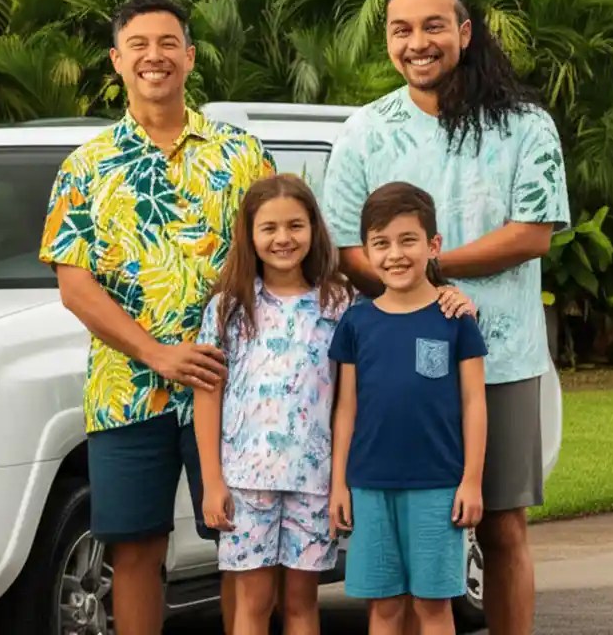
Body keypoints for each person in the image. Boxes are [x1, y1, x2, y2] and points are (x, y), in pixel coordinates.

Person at [321, 0, 570, 635]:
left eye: (434, 26)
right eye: (401, 30)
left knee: (502, 526)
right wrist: (420, 293)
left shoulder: (525, 127)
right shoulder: (365, 132)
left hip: (502, 362)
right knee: (400, 545)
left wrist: (435, 269)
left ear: (465, 31)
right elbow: (345, 247)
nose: (417, 42)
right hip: (395, 375)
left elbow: (533, 232)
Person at [39, 0, 276, 635]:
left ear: (190, 57)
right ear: (117, 61)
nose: (155, 57)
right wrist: (156, 352)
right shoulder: (85, 168)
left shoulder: (241, 155)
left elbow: (281, 255)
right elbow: (75, 284)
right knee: (134, 548)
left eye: (168, 44)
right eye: (139, 46)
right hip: (126, 391)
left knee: (241, 547)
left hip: (233, 387)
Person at [194, 175, 476, 635]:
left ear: (314, 229)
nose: (283, 238)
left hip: (314, 479)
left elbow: (401, 306)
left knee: (303, 603)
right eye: (269, 228)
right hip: (245, 480)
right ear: (249, 236)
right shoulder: (229, 308)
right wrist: (211, 481)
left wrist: (452, 295)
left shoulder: (340, 302)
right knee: (254, 601)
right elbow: (208, 396)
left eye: (295, 226)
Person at [328, 182, 489, 635]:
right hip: (371, 486)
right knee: (384, 608)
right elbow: (346, 409)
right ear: (366, 250)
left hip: (437, 486)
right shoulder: (356, 323)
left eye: (407, 240)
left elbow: (475, 403)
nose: (394, 254)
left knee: (433, 606)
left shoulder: (456, 319)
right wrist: (340, 484)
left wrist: (471, 481)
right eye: (381, 243)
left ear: (433, 245)